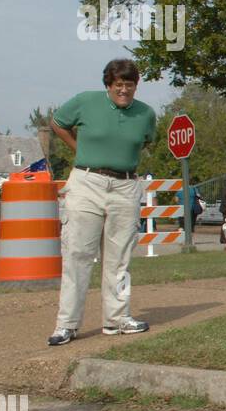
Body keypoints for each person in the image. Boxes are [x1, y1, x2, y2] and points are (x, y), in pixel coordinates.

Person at [46, 58, 156, 345]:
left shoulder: (146, 114)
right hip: (87, 182)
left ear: (136, 86)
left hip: (125, 185)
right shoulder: (85, 101)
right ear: (108, 85)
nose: (124, 91)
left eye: (129, 85)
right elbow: (57, 124)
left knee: (119, 259)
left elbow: (143, 142)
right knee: (78, 256)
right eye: (118, 85)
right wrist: (79, 147)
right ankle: (66, 324)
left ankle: (117, 319)